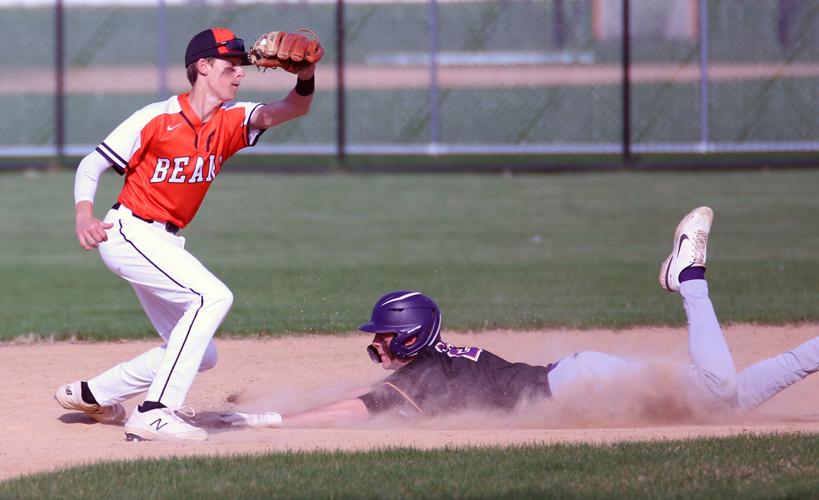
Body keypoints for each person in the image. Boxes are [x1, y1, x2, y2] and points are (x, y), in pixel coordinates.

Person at [221, 207, 819, 429]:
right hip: (573, 376)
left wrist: (272, 419)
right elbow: (371, 392)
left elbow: (357, 407)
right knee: (732, 401)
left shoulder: (425, 376)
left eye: (381, 339)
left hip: (576, 382)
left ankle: (688, 275)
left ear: (409, 336)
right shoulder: (429, 367)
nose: (375, 348)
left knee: (716, 388)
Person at [55, 26, 324, 442]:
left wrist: (304, 77)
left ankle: (93, 393)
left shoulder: (233, 120)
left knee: (203, 351)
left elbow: (292, 108)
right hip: (128, 231)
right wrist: (84, 216)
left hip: (163, 241)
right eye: (230, 65)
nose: (240, 74)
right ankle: (155, 412)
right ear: (202, 66)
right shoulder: (155, 118)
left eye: (241, 67)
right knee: (212, 296)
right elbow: (92, 165)